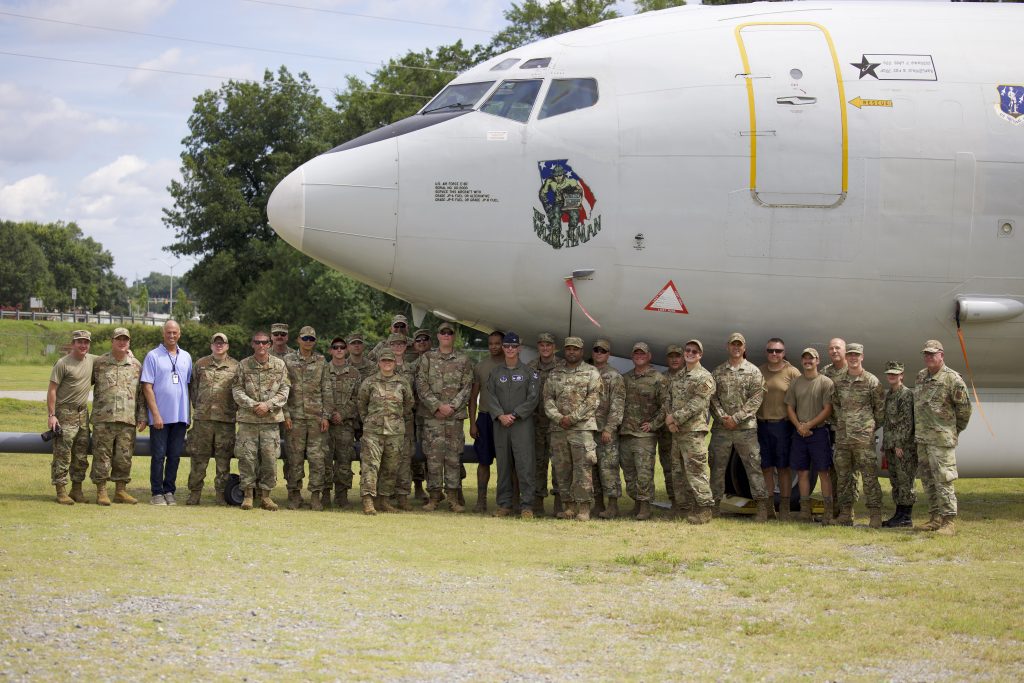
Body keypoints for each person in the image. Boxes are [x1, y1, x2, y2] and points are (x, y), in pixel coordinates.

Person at [912, 340, 971, 535]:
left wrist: (952, 431)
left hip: (941, 440)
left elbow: (964, 410)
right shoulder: (921, 376)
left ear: (941, 355)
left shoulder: (952, 379)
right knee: (928, 480)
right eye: (926, 354)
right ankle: (935, 518)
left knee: (944, 480)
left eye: (932, 353)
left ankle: (949, 522)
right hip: (923, 440)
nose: (929, 357)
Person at [709, 333, 769, 521]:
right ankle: (715, 507)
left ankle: (761, 507)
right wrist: (722, 417)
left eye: (739, 345)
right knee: (717, 467)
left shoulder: (753, 372)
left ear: (744, 348)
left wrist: (736, 418)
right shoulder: (718, 372)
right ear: (728, 347)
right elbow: (713, 398)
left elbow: (756, 399)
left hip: (745, 429)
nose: (736, 348)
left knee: (753, 466)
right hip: (722, 429)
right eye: (733, 344)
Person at [415, 321, 473, 512]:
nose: (446, 335)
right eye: (443, 333)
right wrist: (437, 406)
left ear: (453, 336)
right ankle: (433, 497)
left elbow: (467, 387)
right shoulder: (428, 358)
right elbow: (421, 385)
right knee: (433, 458)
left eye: (449, 333)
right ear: (438, 336)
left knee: (453, 458)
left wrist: (452, 406)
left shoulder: (463, 360)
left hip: (454, 419)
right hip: (433, 418)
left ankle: (453, 499)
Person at [543, 336, 602, 521]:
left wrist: (573, 418)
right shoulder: (554, 373)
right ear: (564, 351)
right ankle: (568, 506)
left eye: (575, 349)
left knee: (583, 468)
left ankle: (584, 508)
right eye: (568, 349)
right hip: (559, 429)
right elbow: (547, 399)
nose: (571, 352)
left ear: (581, 351)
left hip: (582, 429)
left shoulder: (591, 372)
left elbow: (593, 400)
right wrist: (560, 418)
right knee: (562, 468)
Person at [232, 331, 290, 511]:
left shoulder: (279, 365)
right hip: (248, 421)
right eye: (258, 342)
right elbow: (237, 389)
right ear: (252, 344)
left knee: (270, 460)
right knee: (247, 458)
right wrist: (253, 405)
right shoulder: (243, 365)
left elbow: (284, 390)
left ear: (270, 344)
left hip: (270, 421)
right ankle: (248, 495)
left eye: (265, 342)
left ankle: (266, 496)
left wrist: (268, 405)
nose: (261, 346)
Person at [90, 328, 147, 506]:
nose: (122, 342)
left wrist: (142, 416)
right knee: (102, 456)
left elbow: (141, 394)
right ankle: (101, 491)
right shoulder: (99, 363)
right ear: (112, 341)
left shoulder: (136, 365)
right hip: (104, 419)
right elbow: (84, 382)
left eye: (125, 339)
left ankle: (120, 491)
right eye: (118, 339)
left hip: (127, 419)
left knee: (124, 457)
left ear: (129, 342)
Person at [831, 343, 886, 527]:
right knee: (844, 477)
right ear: (846, 357)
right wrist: (842, 423)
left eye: (857, 355)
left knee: (869, 477)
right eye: (851, 355)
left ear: (862, 357)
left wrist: (868, 427)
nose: (853, 358)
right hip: (843, 438)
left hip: (863, 439)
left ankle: (875, 514)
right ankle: (846, 513)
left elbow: (880, 411)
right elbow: (836, 405)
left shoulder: (871, 381)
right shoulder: (839, 381)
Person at [486, 332, 540, 518]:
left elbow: (533, 399)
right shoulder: (496, 373)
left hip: (521, 425)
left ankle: (526, 506)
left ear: (519, 348)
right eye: (507, 346)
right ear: (503, 348)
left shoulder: (529, 373)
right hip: (501, 425)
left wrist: (515, 415)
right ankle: (504, 504)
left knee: (525, 465)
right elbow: (490, 396)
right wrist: (500, 415)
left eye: (513, 346)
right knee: (503, 465)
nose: (510, 349)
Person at [663, 339, 717, 524]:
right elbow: (668, 400)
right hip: (677, 432)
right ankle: (683, 508)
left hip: (693, 431)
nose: (691, 353)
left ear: (700, 355)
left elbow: (698, 403)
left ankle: (704, 509)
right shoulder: (677, 377)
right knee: (678, 472)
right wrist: (670, 421)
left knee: (696, 471)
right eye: (688, 350)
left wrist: (674, 418)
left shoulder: (705, 377)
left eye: (695, 351)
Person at [141, 320, 192, 506]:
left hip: (180, 416)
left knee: (175, 455)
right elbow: (147, 386)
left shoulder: (186, 356)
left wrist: (188, 415)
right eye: (168, 332)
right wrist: (155, 415)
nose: (171, 336)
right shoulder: (153, 356)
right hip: (160, 417)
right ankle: (156, 493)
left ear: (179, 334)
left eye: (175, 332)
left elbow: (187, 386)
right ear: (163, 334)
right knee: (159, 455)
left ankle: (169, 490)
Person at [357, 349, 415, 515]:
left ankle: (384, 500)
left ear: (395, 363)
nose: (387, 363)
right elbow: (362, 404)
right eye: (384, 361)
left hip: (395, 432)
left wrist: (394, 419)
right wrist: (371, 420)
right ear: (379, 363)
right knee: (370, 465)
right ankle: (368, 500)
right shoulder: (369, 382)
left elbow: (408, 405)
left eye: (390, 361)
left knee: (391, 467)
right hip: (373, 432)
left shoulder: (402, 383)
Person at [185, 332, 239, 506]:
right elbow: (193, 388)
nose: (219, 346)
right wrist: (200, 407)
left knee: (223, 460)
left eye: (222, 343)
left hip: (225, 421)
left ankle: (221, 494)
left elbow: (238, 392)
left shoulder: (236, 366)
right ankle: (195, 493)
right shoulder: (201, 364)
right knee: (199, 459)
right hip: (203, 420)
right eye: (216, 343)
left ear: (227, 346)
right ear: (211, 346)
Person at [282, 326, 331, 511]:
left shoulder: (321, 361)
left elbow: (327, 390)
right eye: (305, 338)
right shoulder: (287, 361)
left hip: (316, 418)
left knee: (317, 458)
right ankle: (294, 495)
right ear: (298, 340)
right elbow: (283, 389)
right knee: (294, 458)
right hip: (294, 418)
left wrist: (326, 415)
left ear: (315, 341)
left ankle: (316, 496)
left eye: (311, 338)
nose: (308, 341)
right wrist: (285, 414)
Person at [785, 349, 836, 524]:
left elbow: (827, 409)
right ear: (802, 361)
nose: (808, 361)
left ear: (818, 361)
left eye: (811, 359)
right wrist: (799, 425)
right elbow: (790, 407)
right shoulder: (796, 382)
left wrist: (809, 425)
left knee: (823, 472)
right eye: (805, 358)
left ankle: (828, 512)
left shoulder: (825, 382)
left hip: (819, 432)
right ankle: (805, 512)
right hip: (799, 433)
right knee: (802, 472)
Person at [46, 329, 96, 505]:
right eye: (79, 342)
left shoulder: (91, 360)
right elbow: (52, 390)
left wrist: (128, 352)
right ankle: (61, 490)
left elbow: (110, 358)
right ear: (73, 343)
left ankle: (77, 490)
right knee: (63, 453)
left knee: (81, 454)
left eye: (86, 342)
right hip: (65, 413)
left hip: (83, 414)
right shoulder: (63, 363)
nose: (83, 345)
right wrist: (52, 415)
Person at [620, 342, 666, 521]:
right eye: (636, 353)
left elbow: (665, 407)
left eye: (642, 353)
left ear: (649, 356)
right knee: (629, 473)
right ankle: (636, 503)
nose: (639, 356)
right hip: (626, 432)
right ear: (632, 356)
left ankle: (645, 506)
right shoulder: (625, 378)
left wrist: (654, 424)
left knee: (644, 472)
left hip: (644, 435)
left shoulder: (658, 379)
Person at [757, 337, 802, 520]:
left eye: (778, 351)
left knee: (783, 468)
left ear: (784, 353)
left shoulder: (792, 372)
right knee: (766, 467)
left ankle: (784, 508)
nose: (774, 354)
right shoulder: (759, 371)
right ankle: (769, 509)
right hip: (762, 424)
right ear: (766, 352)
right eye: (771, 351)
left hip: (783, 426)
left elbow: (801, 397)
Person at [469, 330, 504, 513]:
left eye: (497, 343)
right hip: (485, 418)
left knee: (507, 463)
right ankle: (481, 500)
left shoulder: (510, 364)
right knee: (483, 461)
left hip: (505, 419)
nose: (493, 347)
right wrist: (473, 422)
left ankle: (506, 500)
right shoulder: (481, 367)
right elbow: (473, 396)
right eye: (490, 343)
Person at [325, 336, 361, 509]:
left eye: (341, 347)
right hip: (325, 424)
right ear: (330, 350)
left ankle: (342, 496)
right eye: (335, 347)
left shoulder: (354, 373)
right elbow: (317, 395)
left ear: (346, 350)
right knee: (324, 460)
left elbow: (358, 399)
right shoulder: (323, 370)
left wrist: (344, 414)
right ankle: (324, 494)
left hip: (345, 426)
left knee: (344, 461)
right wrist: (329, 414)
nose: (339, 350)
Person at [528, 332, 562, 516]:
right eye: (542, 345)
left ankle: (559, 502)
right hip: (536, 423)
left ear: (554, 347)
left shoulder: (562, 367)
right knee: (538, 463)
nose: (545, 348)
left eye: (548, 345)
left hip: (557, 424)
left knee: (559, 464)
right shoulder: (531, 367)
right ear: (538, 347)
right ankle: (538, 502)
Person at [590, 339, 624, 519]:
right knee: (592, 469)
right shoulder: (587, 373)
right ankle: (598, 504)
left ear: (608, 354)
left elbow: (617, 406)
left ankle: (612, 505)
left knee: (608, 468)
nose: (598, 353)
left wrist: (609, 429)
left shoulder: (614, 376)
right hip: (588, 430)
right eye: (596, 350)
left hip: (605, 431)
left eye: (602, 351)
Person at [881, 361, 916, 528]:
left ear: (901, 375)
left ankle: (906, 517)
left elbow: (907, 423)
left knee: (905, 480)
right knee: (895, 480)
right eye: (889, 373)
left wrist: (899, 444)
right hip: (891, 445)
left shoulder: (906, 394)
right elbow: (888, 422)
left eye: (895, 373)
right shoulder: (890, 394)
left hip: (903, 447)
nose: (892, 376)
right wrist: (886, 444)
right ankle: (899, 514)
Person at [389, 333, 419, 510]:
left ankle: (402, 496)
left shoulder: (412, 369)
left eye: (401, 343)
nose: (398, 346)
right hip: (385, 420)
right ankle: (386, 494)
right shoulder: (381, 367)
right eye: (394, 343)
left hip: (406, 420)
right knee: (388, 457)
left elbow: (415, 395)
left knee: (405, 458)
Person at [657, 345, 686, 516]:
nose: (675, 359)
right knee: (669, 468)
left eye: (678, 356)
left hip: (684, 431)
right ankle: (674, 501)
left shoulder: (688, 377)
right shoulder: (661, 379)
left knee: (687, 467)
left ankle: (687, 503)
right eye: (671, 356)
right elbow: (659, 405)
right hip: (666, 432)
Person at [410, 328, 432, 499]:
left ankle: (438, 490)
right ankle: (418, 485)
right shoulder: (410, 367)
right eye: (418, 340)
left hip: (434, 415)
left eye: (425, 339)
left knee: (434, 452)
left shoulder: (438, 362)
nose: (422, 342)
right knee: (416, 451)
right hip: (415, 415)